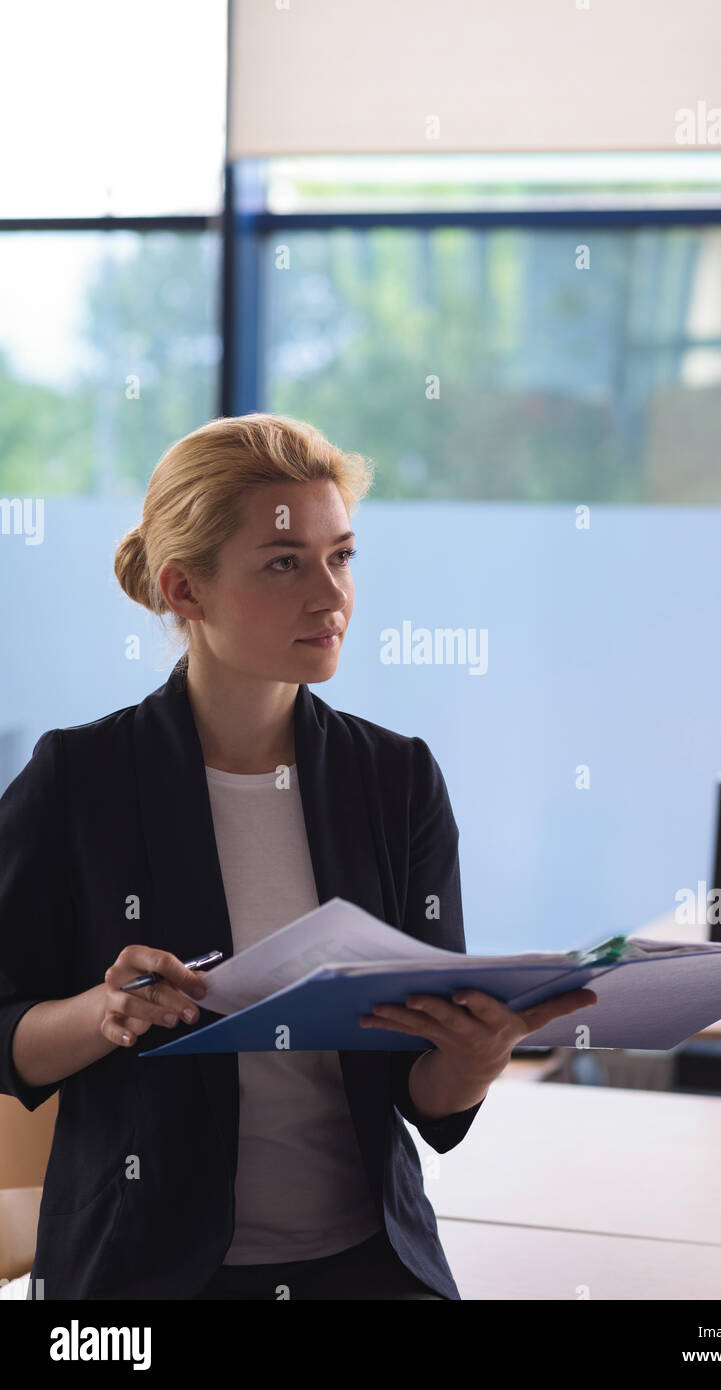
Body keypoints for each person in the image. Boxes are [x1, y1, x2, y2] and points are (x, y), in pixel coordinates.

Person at [0, 413, 596, 1300]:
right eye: (285, 563)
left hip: (367, 1267)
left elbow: (420, 1090)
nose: (331, 596)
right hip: (145, 1275)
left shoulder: (396, 779)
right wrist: (104, 1014)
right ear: (185, 592)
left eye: (341, 556)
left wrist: (472, 1062)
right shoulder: (78, 779)